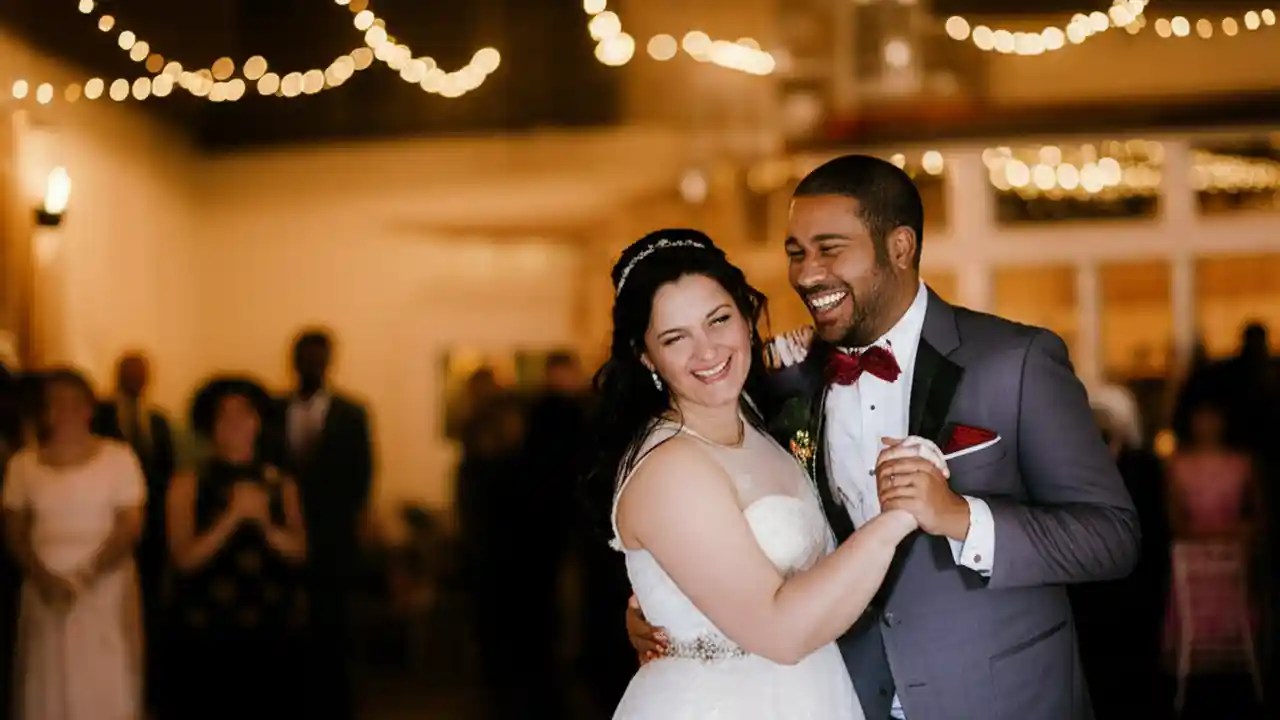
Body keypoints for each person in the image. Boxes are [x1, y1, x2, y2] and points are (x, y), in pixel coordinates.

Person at [628, 156, 1140, 719]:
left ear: (899, 246)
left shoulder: (1015, 362)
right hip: (844, 696)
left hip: (998, 698)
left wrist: (961, 517)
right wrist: (666, 609)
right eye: (796, 253)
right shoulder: (778, 381)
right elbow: (724, 523)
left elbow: (1112, 537)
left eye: (830, 249)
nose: (806, 274)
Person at [592, 229, 919, 719]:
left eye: (718, 320)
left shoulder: (757, 417)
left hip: (815, 691)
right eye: (675, 338)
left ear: (746, 317)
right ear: (646, 356)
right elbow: (779, 633)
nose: (707, 351)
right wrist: (900, 515)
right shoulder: (669, 468)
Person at [2, 369, 146, 720]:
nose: (64, 412)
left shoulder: (118, 457)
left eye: (73, 404)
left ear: (88, 409)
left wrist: (85, 576)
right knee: (47, 674)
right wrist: (43, 578)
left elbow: (129, 525)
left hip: (104, 583)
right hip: (44, 583)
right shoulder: (23, 464)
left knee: (105, 673)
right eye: (55, 404)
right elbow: (14, 529)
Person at [164, 377, 307, 720]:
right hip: (207, 628)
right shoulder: (187, 483)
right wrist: (232, 516)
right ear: (210, 425)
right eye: (224, 415)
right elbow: (183, 560)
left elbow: (300, 551)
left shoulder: (280, 482)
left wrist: (264, 524)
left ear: (258, 421)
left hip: (270, 625)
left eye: (244, 413)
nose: (235, 423)